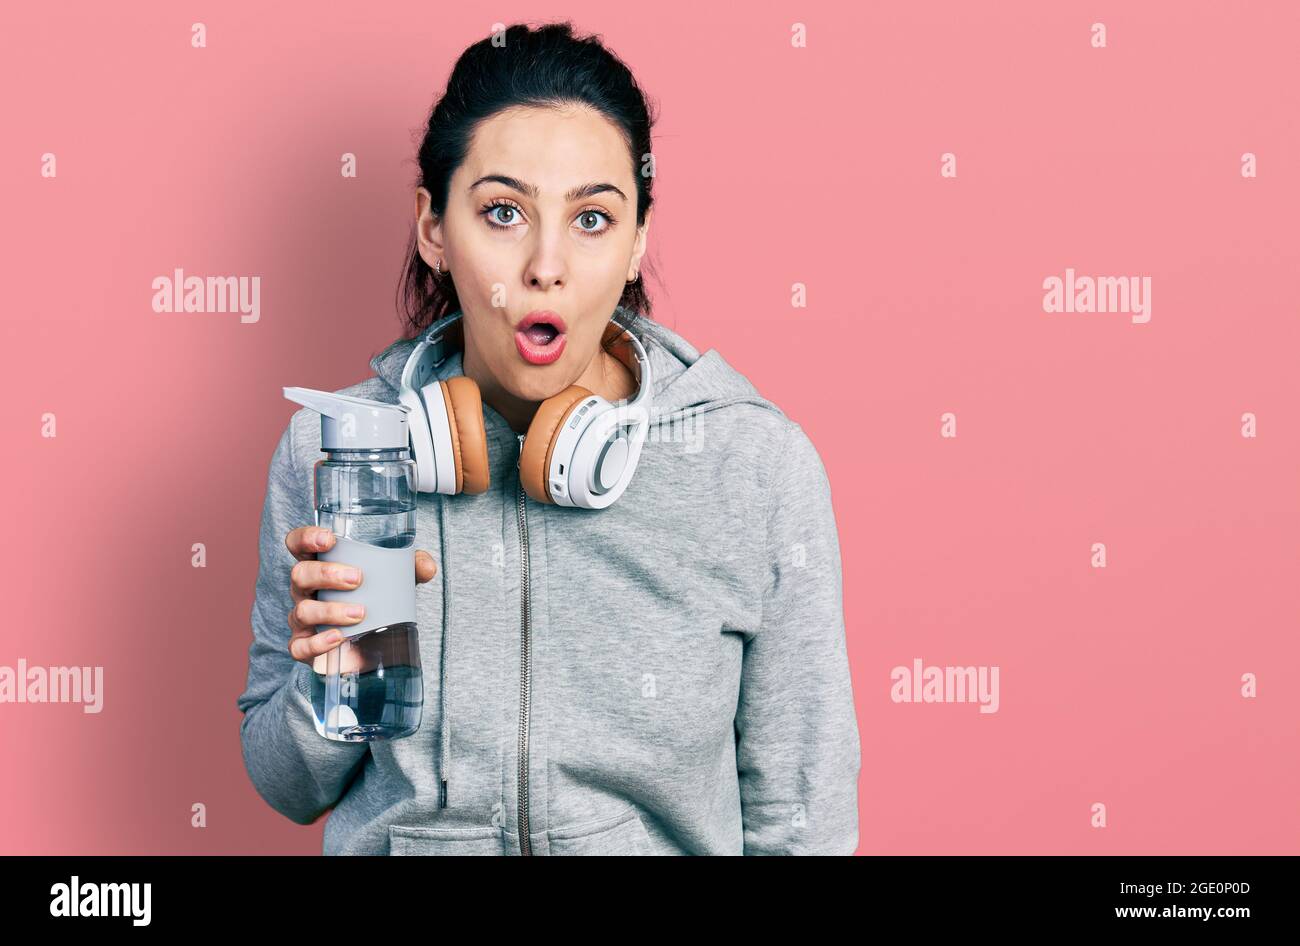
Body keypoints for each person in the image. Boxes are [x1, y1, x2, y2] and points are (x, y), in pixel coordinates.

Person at [237, 20, 860, 855]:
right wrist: (333, 677)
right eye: (503, 212)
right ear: (432, 228)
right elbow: (286, 787)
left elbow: (805, 827)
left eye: (593, 219)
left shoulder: (755, 470)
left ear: (638, 239)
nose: (546, 264)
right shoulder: (338, 452)